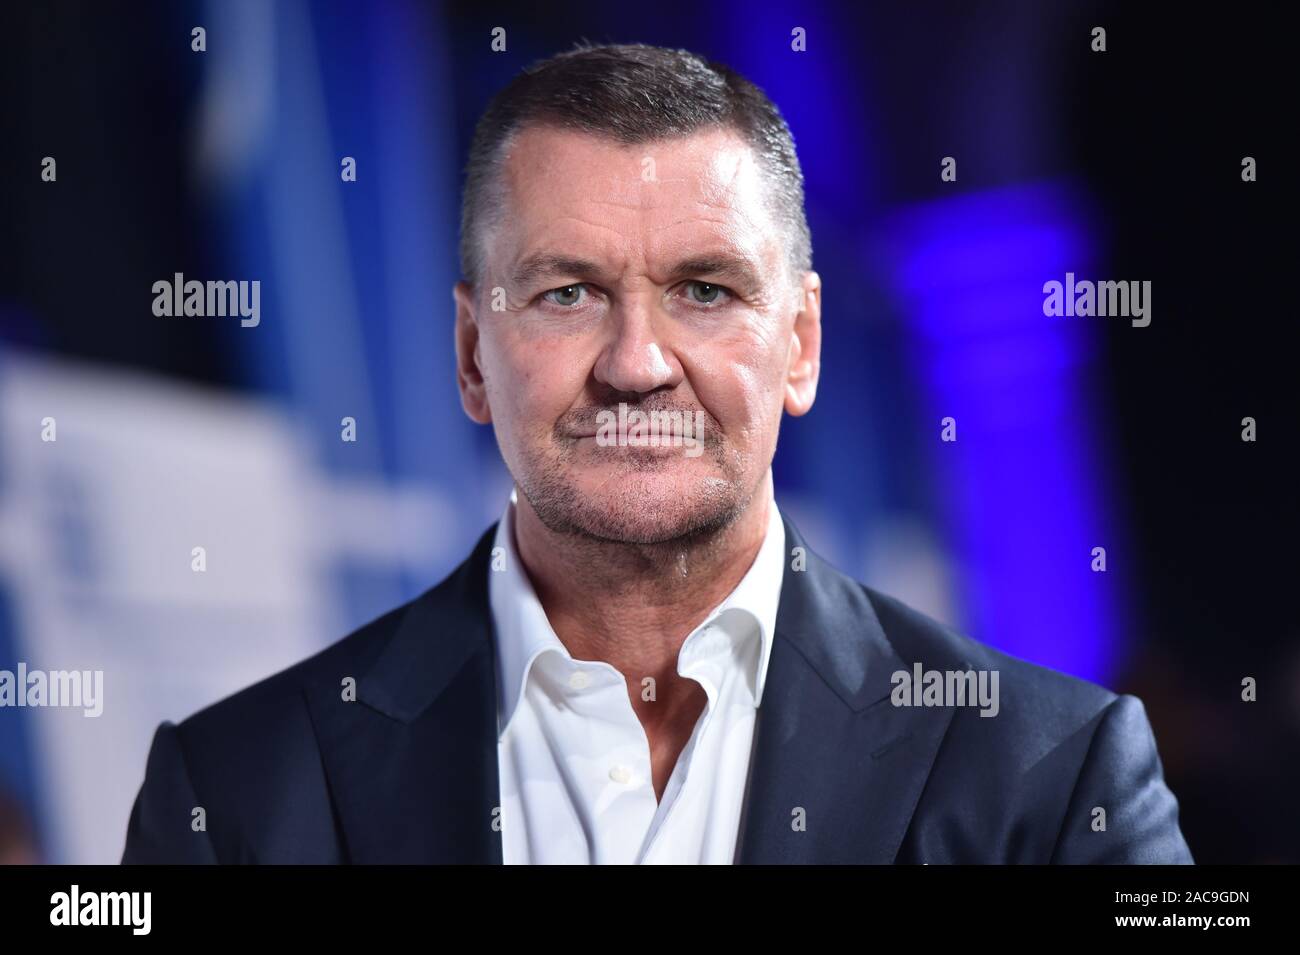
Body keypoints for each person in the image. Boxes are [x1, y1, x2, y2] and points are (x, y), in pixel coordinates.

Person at [123, 43, 1193, 865]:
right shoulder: (235, 791)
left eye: (705, 291)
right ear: (469, 355)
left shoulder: (1054, 778)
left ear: (801, 346)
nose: (637, 362)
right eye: (567, 293)